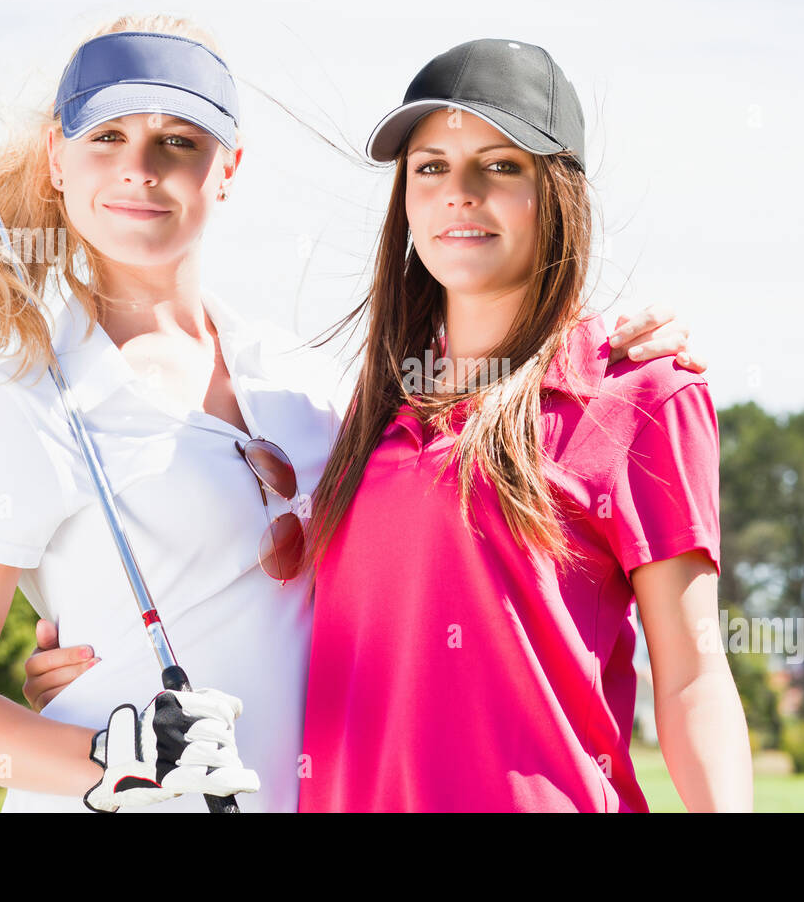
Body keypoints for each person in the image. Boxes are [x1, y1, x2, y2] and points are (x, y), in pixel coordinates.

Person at [0, 16, 698, 813]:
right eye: (106, 138)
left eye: (178, 142)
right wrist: (107, 756)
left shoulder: (312, 383)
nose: (139, 170)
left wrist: (613, 344)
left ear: (229, 167)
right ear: (56, 161)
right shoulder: (21, 408)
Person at [293, 39, 753, 811]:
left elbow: (694, 674)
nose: (458, 192)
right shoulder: (366, 421)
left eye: (500, 165)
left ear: (560, 192)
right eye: (430, 166)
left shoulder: (643, 393)